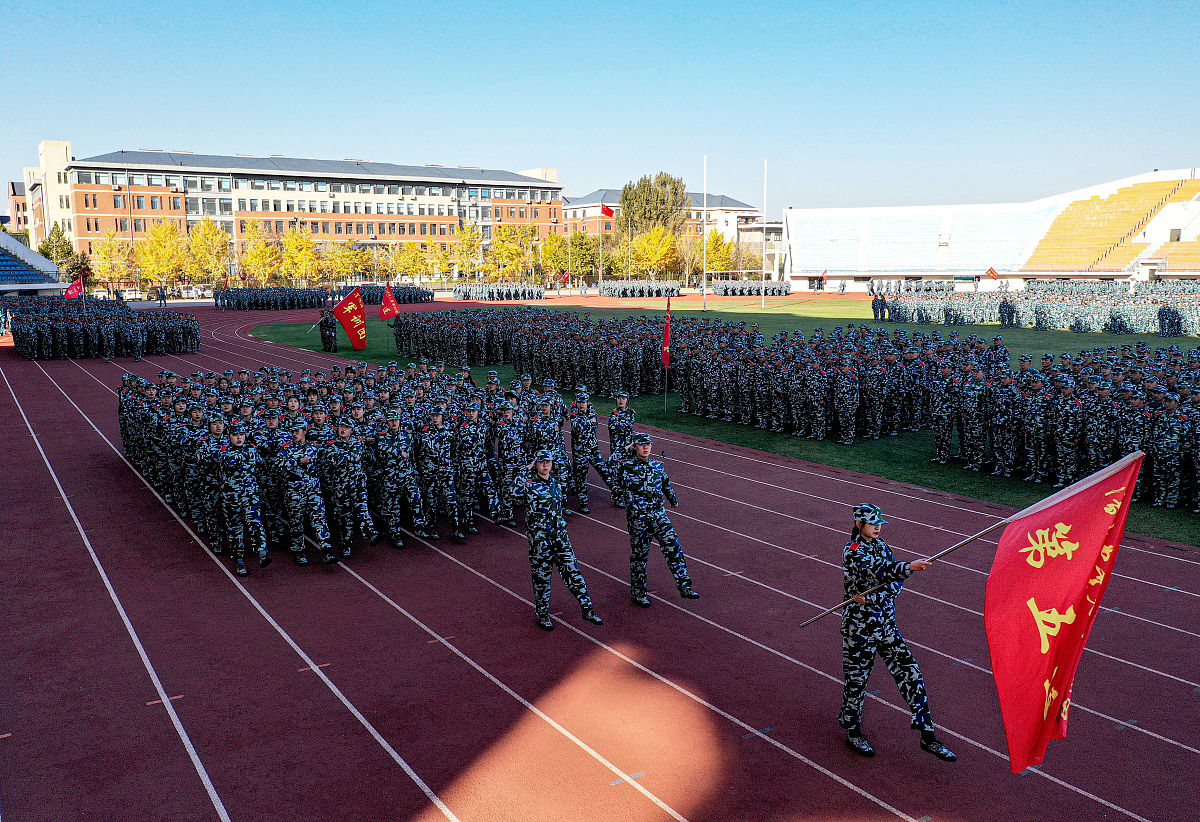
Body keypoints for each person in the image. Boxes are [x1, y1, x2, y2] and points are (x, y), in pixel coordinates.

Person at [837, 503, 955, 762]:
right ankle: (853, 730)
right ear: (859, 525)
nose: (877, 527)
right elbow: (881, 572)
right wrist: (908, 568)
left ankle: (927, 734)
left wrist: (877, 595)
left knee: (910, 672)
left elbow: (896, 584)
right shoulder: (853, 551)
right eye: (872, 523)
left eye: (880, 523)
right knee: (857, 680)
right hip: (860, 628)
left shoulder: (882, 546)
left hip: (886, 625)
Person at [511, 450, 603, 631]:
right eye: (542, 462)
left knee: (574, 572)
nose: (545, 466)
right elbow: (513, 492)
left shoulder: (556, 484)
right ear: (536, 464)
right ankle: (543, 615)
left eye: (548, 462)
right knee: (542, 579)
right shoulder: (528, 485)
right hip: (540, 542)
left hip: (560, 539)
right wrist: (525, 469)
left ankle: (587, 609)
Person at [613, 432, 699, 606]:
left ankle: (684, 585)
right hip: (638, 520)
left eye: (648, 445)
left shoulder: (657, 466)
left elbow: (666, 483)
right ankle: (638, 592)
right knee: (639, 557)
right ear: (635, 446)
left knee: (673, 546)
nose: (645, 448)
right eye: (641, 445)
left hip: (659, 516)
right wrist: (624, 450)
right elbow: (608, 468)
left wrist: (673, 499)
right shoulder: (626, 467)